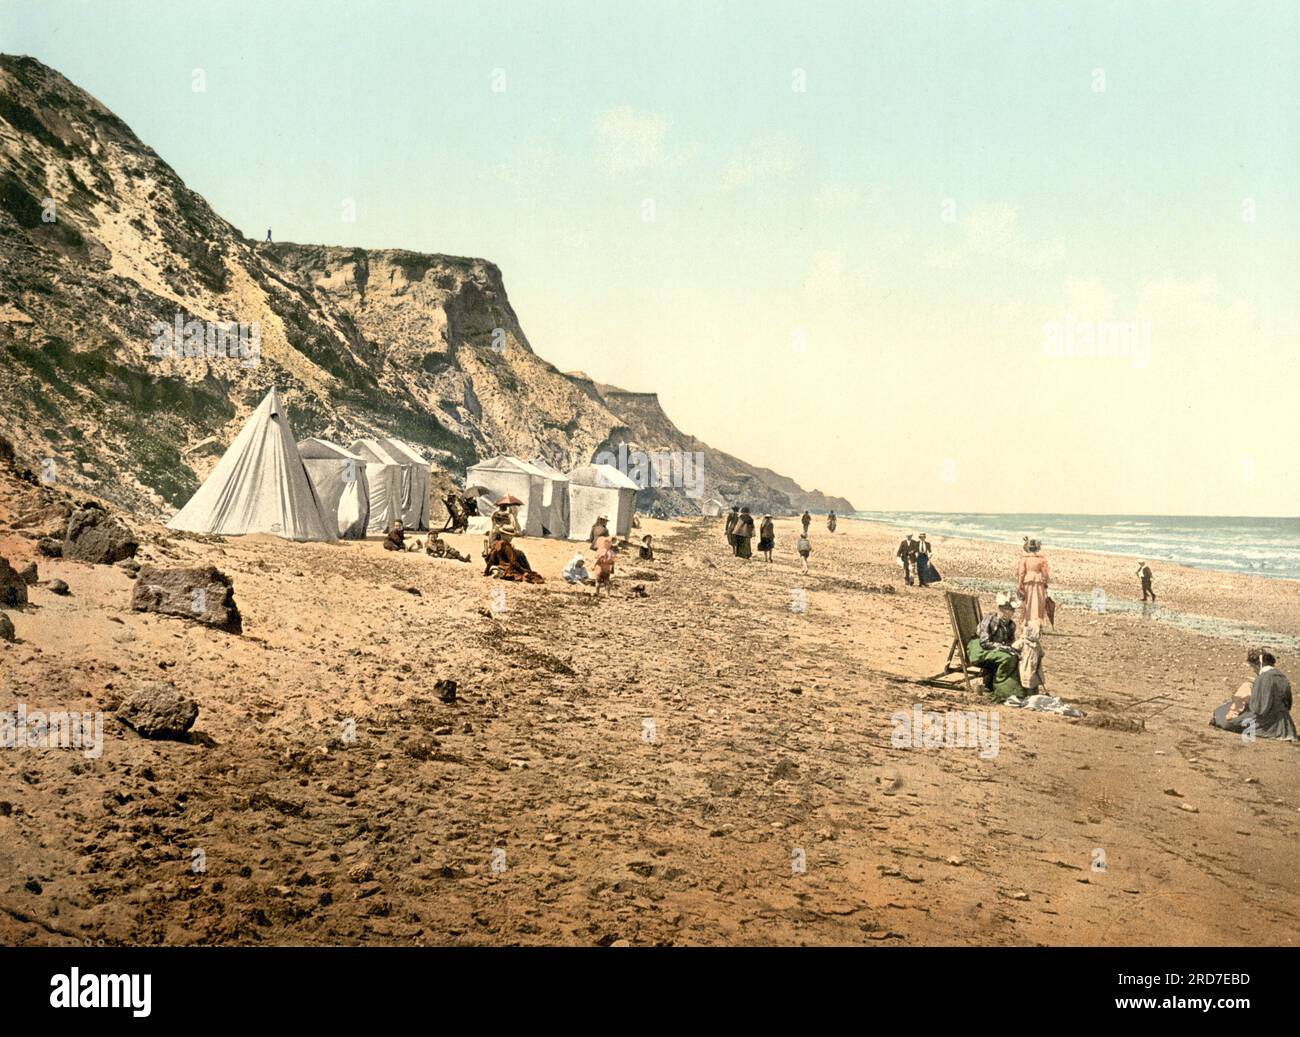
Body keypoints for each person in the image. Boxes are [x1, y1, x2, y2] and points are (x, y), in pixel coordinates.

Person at [1210, 647, 1296, 740]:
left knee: (1224, 717)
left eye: (1253, 667)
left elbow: (1258, 709)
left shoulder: (1263, 678)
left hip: (1267, 723)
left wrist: (1248, 698)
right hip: (1286, 724)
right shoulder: (1282, 677)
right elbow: (1288, 704)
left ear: (1258, 665)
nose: (1253, 670)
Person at [967, 592, 1026, 703]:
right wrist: (1002, 647)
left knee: (1014, 657)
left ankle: (1009, 689)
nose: (1008, 613)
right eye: (1005, 609)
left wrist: (1012, 649)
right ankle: (1002, 691)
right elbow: (984, 642)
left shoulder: (1011, 625)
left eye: (1011, 610)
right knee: (1007, 658)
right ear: (999, 608)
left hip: (995, 650)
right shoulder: (990, 620)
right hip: (980, 649)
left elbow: (1010, 643)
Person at [1017, 538, 1052, 628]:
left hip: (1027, 580)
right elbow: (1045, 573)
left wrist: (1019, 584)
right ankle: (1037, 622)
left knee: (1027, 602)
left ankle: (1027, 621)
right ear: (1037, 548)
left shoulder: (1024, 559)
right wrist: (1046, 582)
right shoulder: (1041, 560)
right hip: (1039, 581)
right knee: (1039, 602)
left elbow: (1021, 573)